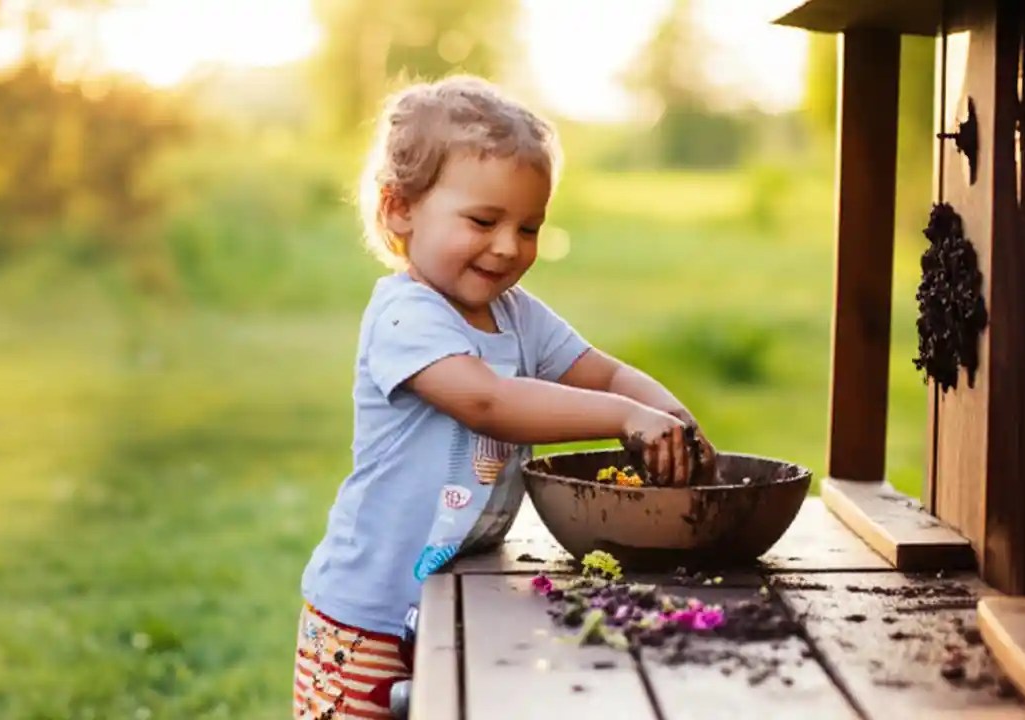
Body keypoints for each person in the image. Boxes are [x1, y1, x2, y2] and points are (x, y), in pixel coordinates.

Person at [293, 74, 716, 719]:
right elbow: (487, 401)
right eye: (483, 221)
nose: (508, 247)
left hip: (457, 596)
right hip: (368, 618)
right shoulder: (406, 316)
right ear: (399, 208)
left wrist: (674, 421)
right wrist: (627, 420)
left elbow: (601, 374)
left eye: (529, 226)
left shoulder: (517, 314)